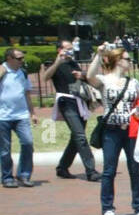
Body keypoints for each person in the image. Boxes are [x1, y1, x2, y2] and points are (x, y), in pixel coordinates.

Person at [86, 45, 139, 215]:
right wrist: (98, 55)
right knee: (109, 171)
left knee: (135, 169)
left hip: (130, 129)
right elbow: (89, 76)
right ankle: (108, 210)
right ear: (118, 60)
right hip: (111, 130)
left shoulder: (133, 82)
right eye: (127, 59)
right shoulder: (104, 81)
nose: (130, 62)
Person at [41, 41, 101, 182]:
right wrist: (58, 61)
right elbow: (45, 77)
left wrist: (82, 75)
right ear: (59, 50)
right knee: (80, 136)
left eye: (71, 49)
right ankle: (91, 171)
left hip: (80, 101)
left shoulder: (73, 63)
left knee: (76, 137)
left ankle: (62, 167)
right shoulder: (53, 63)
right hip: (66, 102)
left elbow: (85, 78)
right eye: (68, 49)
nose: (70, 51)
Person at [0, 46, 39, 188]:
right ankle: (7, 177)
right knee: (5, 149)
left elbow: (27, 94)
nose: (22, 61)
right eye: (19, 58)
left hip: (21, 115)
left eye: (23, 58)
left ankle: (24, 175)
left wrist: (33, 113)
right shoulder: (2, 70)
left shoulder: (22, 72)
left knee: (28, 143)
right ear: (9, 59)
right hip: (3, 116)